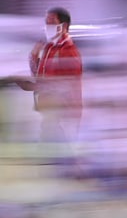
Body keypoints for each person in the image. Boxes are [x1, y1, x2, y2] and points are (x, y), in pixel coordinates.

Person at [13, 7, 82, 144]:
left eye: (51, 22)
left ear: (63, 26)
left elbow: (67, 85)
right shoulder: (49, 48)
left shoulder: (69, 51)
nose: (47, 26)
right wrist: (33, 56)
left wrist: (33, 86)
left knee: (60, 149)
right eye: (46, 22)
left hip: (62, 114)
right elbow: (38, 75)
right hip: (49, 111)